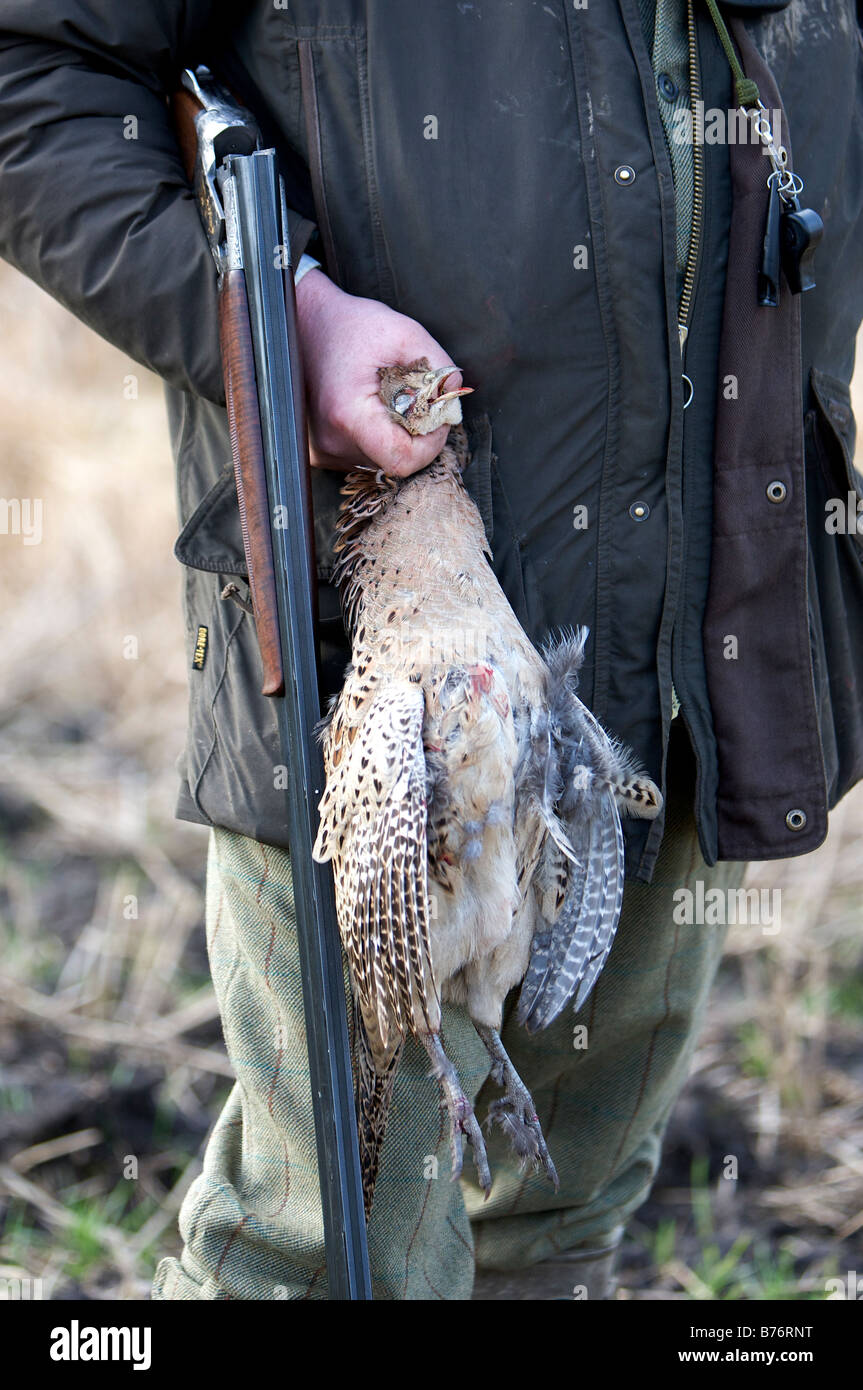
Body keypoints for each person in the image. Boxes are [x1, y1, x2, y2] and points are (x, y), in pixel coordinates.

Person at [1, 0, 861, 1301]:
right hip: (382, 676)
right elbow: (25, 67)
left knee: (560, 1232)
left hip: (701, 630)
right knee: (325, 1250)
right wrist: (279, 323)